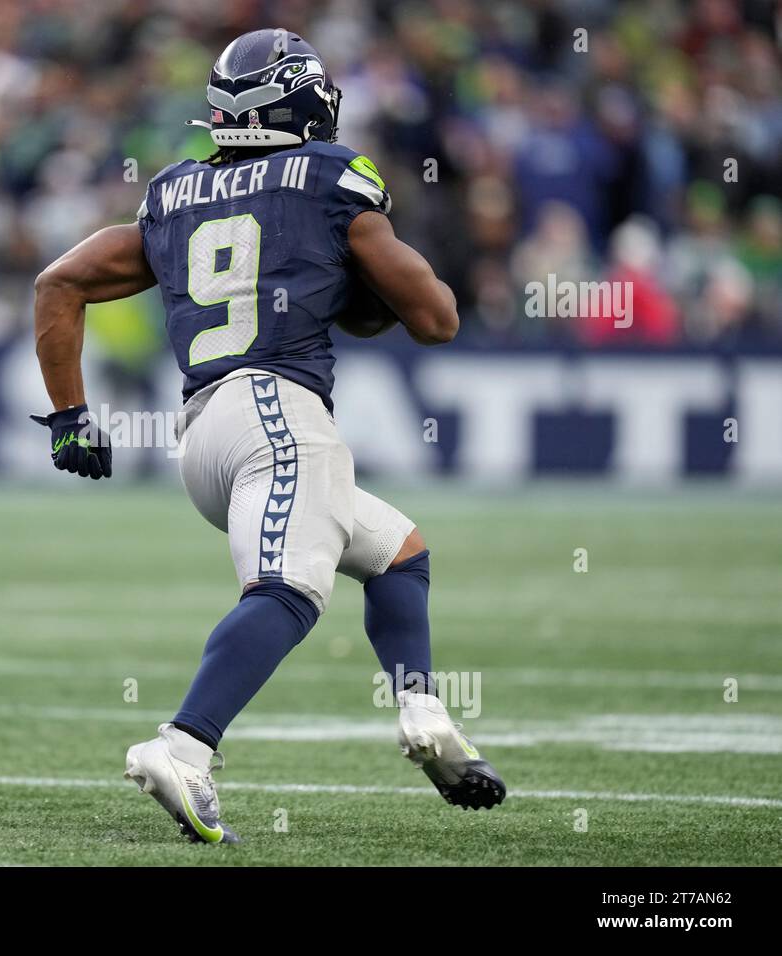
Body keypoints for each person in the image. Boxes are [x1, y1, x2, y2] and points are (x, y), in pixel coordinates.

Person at [31, 30, 504, 843]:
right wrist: (362, 270)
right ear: (305, 102)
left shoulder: (175, 190)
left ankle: (424, 712)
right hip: (277, 410)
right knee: (287, 593)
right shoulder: (330, 177)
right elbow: (437, 319)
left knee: (395, 552)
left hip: (205, 435)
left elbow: (59, 282)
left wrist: (72, 416)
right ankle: (183, 746)